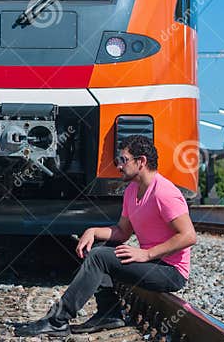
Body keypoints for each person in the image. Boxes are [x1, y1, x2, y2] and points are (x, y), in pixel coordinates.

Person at [15, 135, 197, 337]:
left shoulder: (164, 193)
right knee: (100, 247)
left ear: (142, 161)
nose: (119, 166)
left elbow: (188, 236)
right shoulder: (131, 191)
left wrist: (147, 254)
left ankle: (58, 320)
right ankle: (108, 314)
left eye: (123, 160)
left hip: (171, 271)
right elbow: (122, 232)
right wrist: (92, 231)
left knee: (100, 257)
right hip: (154, 264)